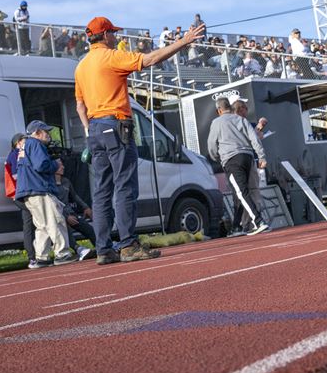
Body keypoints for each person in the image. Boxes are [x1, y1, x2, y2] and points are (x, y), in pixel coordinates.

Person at [75, 16, 204, 263]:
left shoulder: (81, 66)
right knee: (125, 187)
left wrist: (90, 130)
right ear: (105, 35)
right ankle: (127, 245)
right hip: (115, 125)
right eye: (113, 33)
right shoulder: (110, 57)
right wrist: (184, 42)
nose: (116, 37)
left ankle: (104, 249)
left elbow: (80, 106)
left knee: (101, 192)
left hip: (95, 128)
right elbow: (151, 59)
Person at [15, 121, 77, 264]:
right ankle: (62, 254)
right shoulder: (35, 144)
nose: (49, 134)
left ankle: (42, 257)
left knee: (42, 226)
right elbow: (41, 165)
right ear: (37, 133)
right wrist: (55, 164)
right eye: (46, 132)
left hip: (28, 192)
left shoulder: (26, 145)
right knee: (55, 220)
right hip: (39, 189)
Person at [207, 97, 269, 236]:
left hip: (231, 159)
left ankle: (258, 221)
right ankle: (236, 226)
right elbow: (254, 138)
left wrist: (217, 158)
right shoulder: (241, 119)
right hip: (247, 157)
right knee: (238, 193)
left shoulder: (216, 122)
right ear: (230, 107)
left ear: (219, 110)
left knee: (241, 192)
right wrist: (261, 156)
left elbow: (211, 145)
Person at [5, 133, 47, 269]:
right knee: (45, 220)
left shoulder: (14, 155)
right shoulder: (15, 154)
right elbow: (16, 175)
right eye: (25, 141)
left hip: (20, 195)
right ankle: (43, 255)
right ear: (18, 143)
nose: (27, 143)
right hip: (23, 194)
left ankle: (32, 258)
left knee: (28, 225)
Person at [52, 160, 94, 260]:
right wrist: (66, 217)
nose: (63, 167)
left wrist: (86, 207)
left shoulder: (66, 181)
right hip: (58, 216)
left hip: (71, 214)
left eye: (62, 165)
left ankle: (102, 247)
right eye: (60, 165)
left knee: (87, 228)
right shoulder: (49, 184)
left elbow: (75, 196)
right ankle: (78, 249)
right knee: (64, 228)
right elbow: (53, 205)